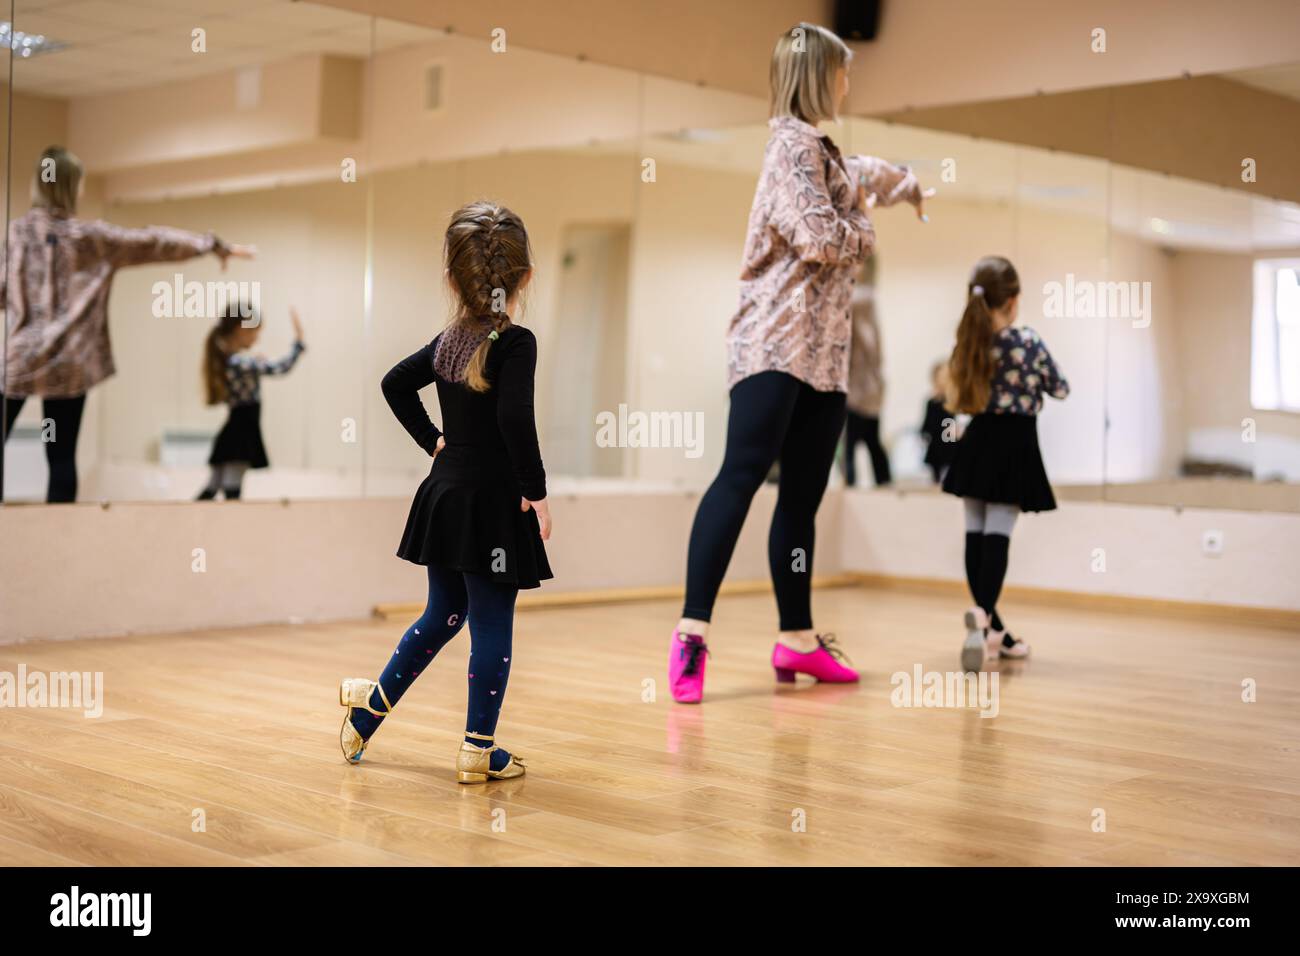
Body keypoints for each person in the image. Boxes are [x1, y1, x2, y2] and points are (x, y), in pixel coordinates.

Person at [668, 23, 932, 703]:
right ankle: (692, 637)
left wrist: (906, 184)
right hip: (773, 345)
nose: (848, 83)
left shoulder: (824, 152)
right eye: (843, 72)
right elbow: (819, 236)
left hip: (824, 356)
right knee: (742, 476)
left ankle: (798, 641)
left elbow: (865, 174)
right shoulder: (788, 148)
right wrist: (869, 227)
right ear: (820, 75)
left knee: (803, 499)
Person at [338, 200, 552, 783]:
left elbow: (394, 384)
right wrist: (536, 491)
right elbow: (515, 421)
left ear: (453, 279)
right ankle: (478, 748)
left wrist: (435, 441)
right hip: (493, 502)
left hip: (448, 494)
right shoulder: (516, 343)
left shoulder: (450, 341)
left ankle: (365, 716)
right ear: (525, 277)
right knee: (490, 624)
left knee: (443, 614)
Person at [0, 145, 254, 502]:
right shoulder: (90, 239)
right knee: (58, 454)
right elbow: (153, 243)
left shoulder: (17, 236)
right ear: (73, 187)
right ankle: (57, 540)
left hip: (22, 360)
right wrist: (211, 245)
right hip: (67, 366)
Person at [941, 256, 1069, 671]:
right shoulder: (1027, 341)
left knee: (974, 533)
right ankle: (983, 617)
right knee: (997, 536)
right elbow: (1061, 388)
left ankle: (991, 626)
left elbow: (957, 395)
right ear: (1013, 302)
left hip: (977, 441)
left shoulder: (969, 343)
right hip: (1015, 445)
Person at [197, 303, 306, 500]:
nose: (257, 338)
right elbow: (280, 367)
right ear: (242, 329)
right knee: (231, 486)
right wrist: (298, 343)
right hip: (242, 431)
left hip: (235, 429)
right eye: (255, 332)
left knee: (215, 484)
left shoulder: (232, 360)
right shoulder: (241, 362)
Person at [842, 256, 891, 487]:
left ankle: (882, 482)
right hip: (852, 383)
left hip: (865, 384)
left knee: (869, 439)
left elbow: (871, 345)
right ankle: (850, 482)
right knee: (850, 441)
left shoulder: (863, 298)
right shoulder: (855, 296)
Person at [919, 361, 957, 482]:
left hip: (949, 441)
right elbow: (927, 423)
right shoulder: (932, 402)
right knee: (936, 471)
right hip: (935, 443)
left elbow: (954, 421)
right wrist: (923, 434)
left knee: (950, 468)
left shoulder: (953, 402)